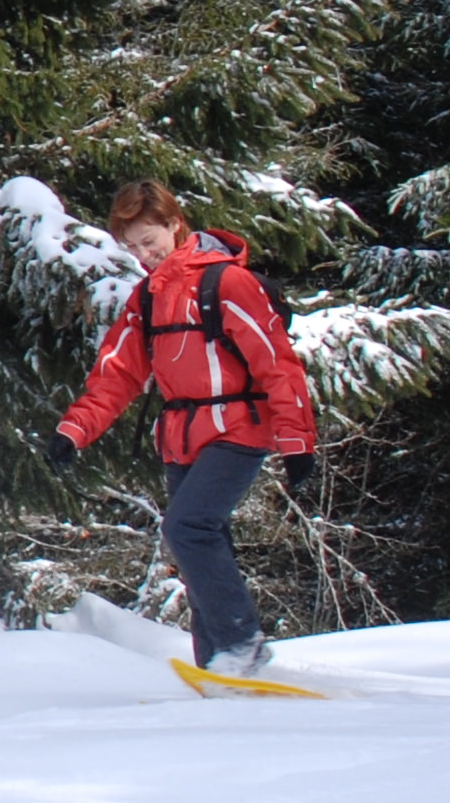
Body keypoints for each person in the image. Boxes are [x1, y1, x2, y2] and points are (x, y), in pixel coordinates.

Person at [43, 181, 319, 678]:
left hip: (238, 428)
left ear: (175, 223)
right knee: (200, 548)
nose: (144, 256)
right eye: (132, 247)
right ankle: (219, 668)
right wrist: (73, 431)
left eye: (149, 241)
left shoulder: (227, 283)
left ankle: (242, 645)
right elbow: (117, 373)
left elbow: (277, 363)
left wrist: (298, 442)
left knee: (187, 527)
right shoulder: (147, 298)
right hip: (182, 438)